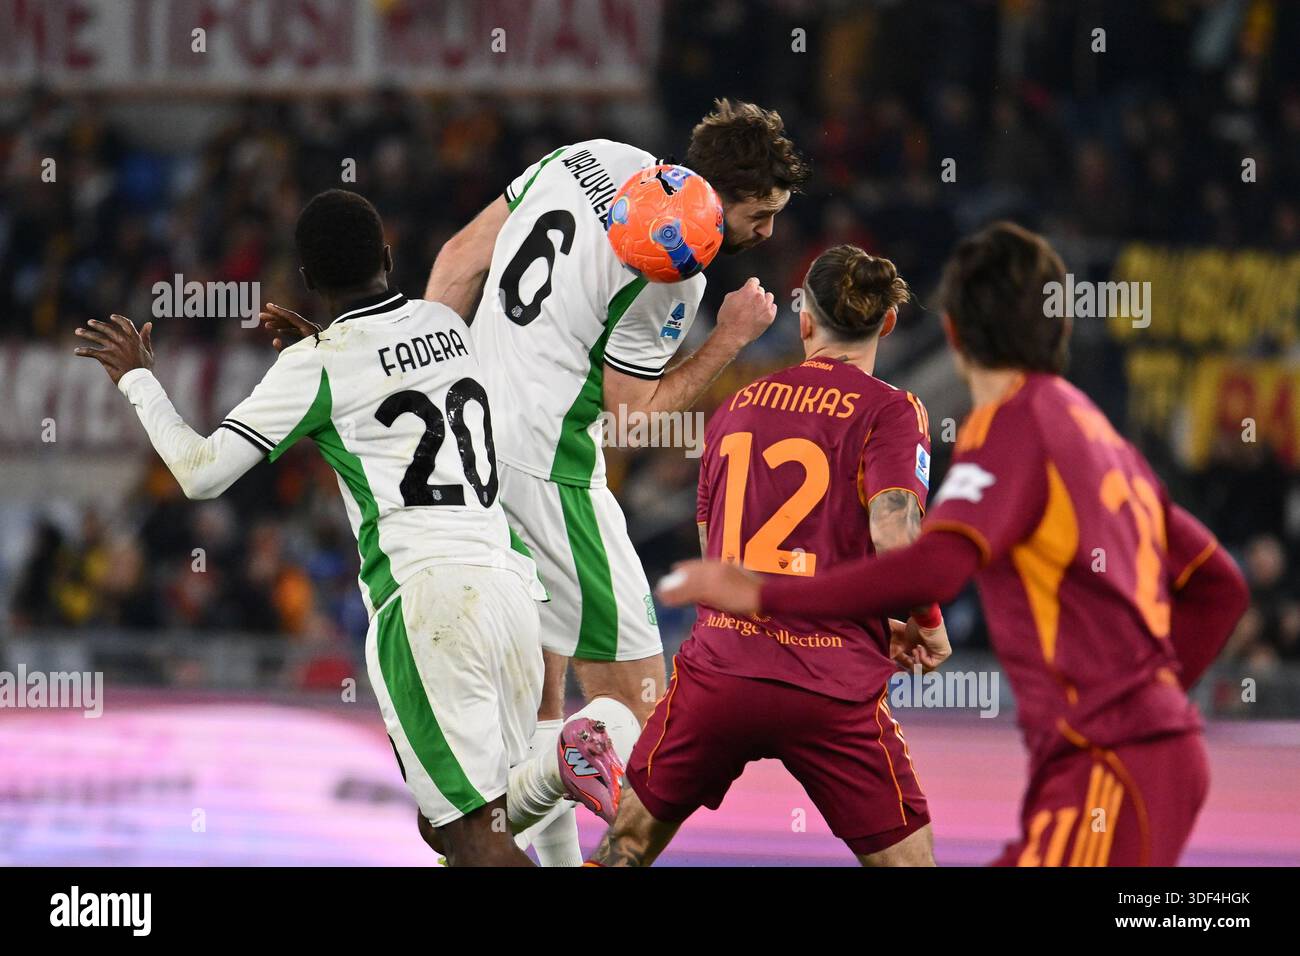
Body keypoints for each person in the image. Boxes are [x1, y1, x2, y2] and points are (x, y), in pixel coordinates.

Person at [660, 222, 1250, 866]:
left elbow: (931, 566)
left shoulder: (1013, 426)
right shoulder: (1099, 435)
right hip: (1146, 758)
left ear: (953, 335)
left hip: (1105, 765)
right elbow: (1222, 587)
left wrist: (763, 591)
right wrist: (1158, 709)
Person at [74, 189, 621, 866]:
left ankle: (560, 765)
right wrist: (323, 345)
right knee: (453, 822)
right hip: (508, 589)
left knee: (475, 838)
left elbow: (201, 472)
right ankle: (552, 771)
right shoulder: (444, 322)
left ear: (304, 278)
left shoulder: (317, 366)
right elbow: (391, 367)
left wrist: (138, 380)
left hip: (427, 603)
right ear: (387, 258)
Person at [420, 98, 810, 865]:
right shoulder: (674, 270)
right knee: (641, 715)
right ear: (719, 194)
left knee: (540, 694)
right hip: (551, 474)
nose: (766, 234)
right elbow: (633, 420)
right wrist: (730, 337)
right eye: (759, 215)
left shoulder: (587, 155)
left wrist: (436, 386)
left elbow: (462, 257)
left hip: (469, 452)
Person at [588, 245, 948, 866]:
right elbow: (895, 538)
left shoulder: (739, 406)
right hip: (829, 686)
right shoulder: (892, 410)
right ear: (886, 323)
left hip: (721, 674)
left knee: (627, 843)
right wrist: (925, 624)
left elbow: (716, 559)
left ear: (803, 318)